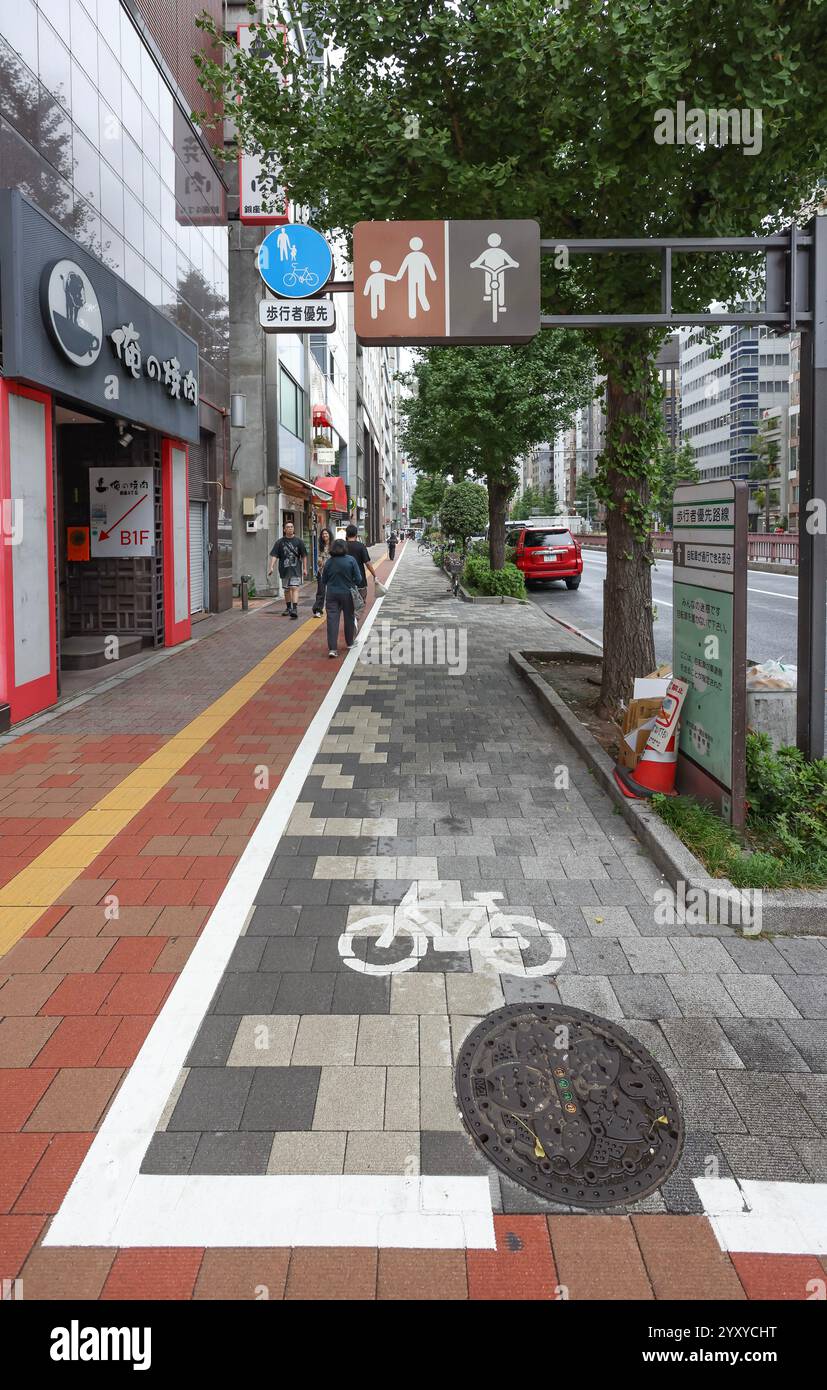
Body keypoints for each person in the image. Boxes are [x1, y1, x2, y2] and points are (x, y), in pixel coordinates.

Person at [320, 538, 362, 657]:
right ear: (345, 548)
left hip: (332, 594)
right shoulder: (351, 560)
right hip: (348, 594)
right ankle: (349, 643)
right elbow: (358, 579)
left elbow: (324, 580)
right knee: (349, 617)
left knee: (332, 620)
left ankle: (332, 649)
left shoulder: (329, 562)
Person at [267, 520, 307, 620]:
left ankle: (295, 609)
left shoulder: (299, 541)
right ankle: (288, 608)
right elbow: (274, 555)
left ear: (293, 529)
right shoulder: (280, 542)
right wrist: (271, 566)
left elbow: (304, 556)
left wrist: (305, 568)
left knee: (294, 587)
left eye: (292, 527)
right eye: (288, 527)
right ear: (284, 529)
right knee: (286, 589)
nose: (290, 528)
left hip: (295, 569)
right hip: (284, 569)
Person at [345, 522, 376, 607]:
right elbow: (367, 563)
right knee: (360, 603)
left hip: (345, 580)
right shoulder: (361, 546)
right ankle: (357, 618)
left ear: (346, 534)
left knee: (347, 605)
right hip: (360, 580)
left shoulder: (342, 546)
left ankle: (351, 618)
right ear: (356, 534)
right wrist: (374, 574)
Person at [312, 525, 333, 617]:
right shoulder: (320, 546)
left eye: (326, 533)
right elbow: (318, 559)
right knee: (321, 591)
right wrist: (320, 562)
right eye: (323, 534)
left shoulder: (334, 545)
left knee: (332, 591)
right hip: (322, 572)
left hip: (333, 572)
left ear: (329, 534)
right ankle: (318, 610)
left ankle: (333, 608)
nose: (324, 535)